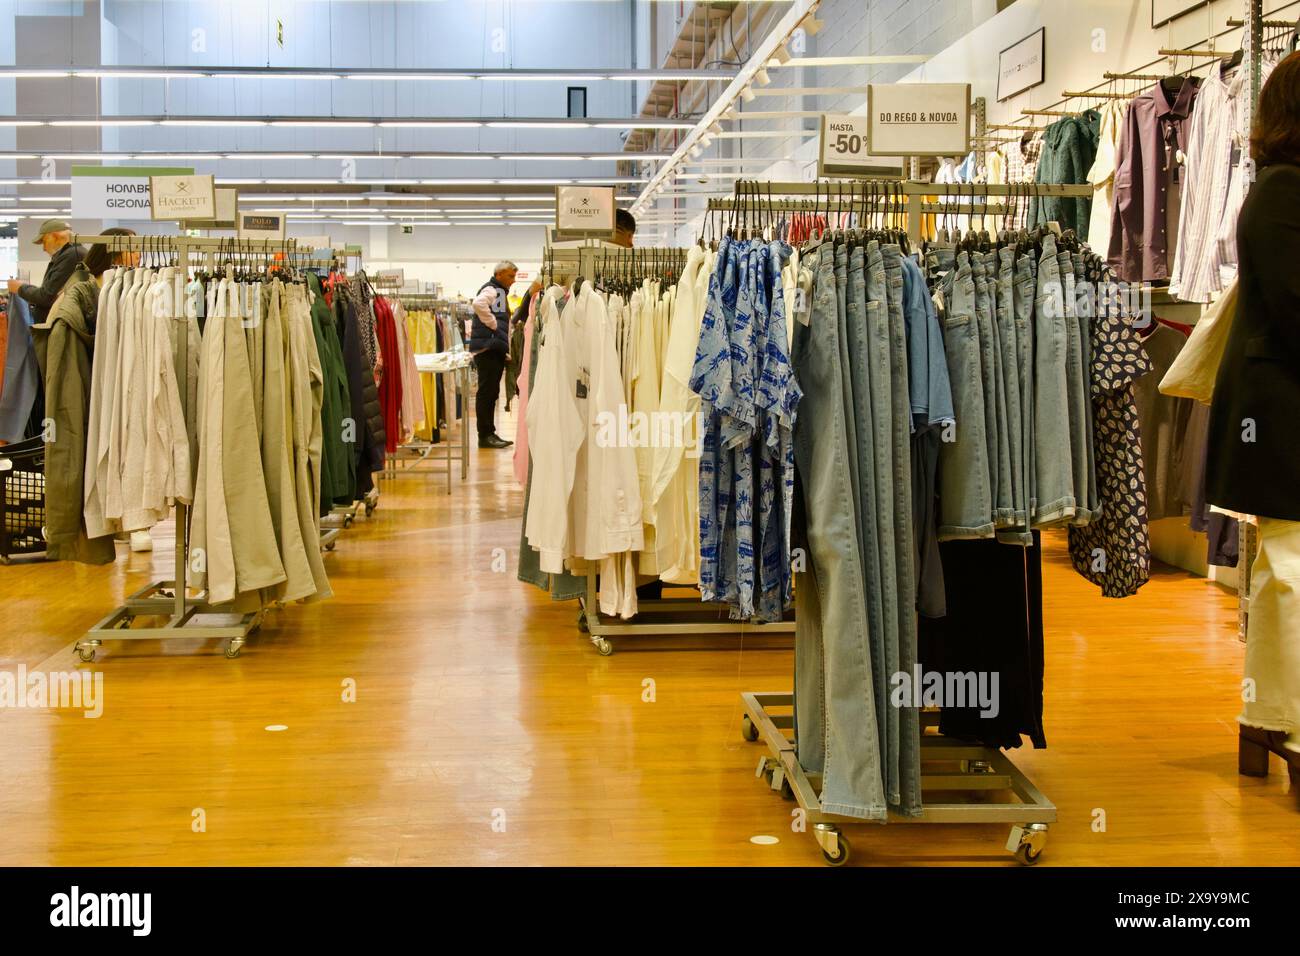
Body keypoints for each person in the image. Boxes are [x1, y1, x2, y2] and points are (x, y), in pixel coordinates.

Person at [1205, 51, 1300, 779]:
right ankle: (1281, 723)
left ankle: (1269, 717)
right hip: (1280, 411)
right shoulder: (1282, 193)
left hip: (1278, 407)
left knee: (1283, 569)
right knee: (1290, 568)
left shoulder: (1279, 189)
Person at [81, 228, 152, 553]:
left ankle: (131, 519)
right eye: (131, 249)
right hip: (99, 382)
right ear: (115, 253)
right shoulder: (92, 292)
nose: (137, 255)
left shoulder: (132, 290)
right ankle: (125, 520)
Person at [470, 261, 517, 448]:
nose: (513, 281)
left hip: (492, 349)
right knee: (487, 393)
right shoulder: (492, 290)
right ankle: (485, 435)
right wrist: (494, 325)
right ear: (498, 275)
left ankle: (489, 433)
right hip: (488, 349)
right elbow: (478, 304)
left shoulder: (500, 292)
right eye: (510, 276)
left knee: (491, 393)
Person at [7, 219, 86, 324]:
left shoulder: (71, 256)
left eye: (44, 242)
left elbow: (46, 297)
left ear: (56, 236)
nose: (44, 248)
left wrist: (20, 288)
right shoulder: (70, 254)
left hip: (59, 327)